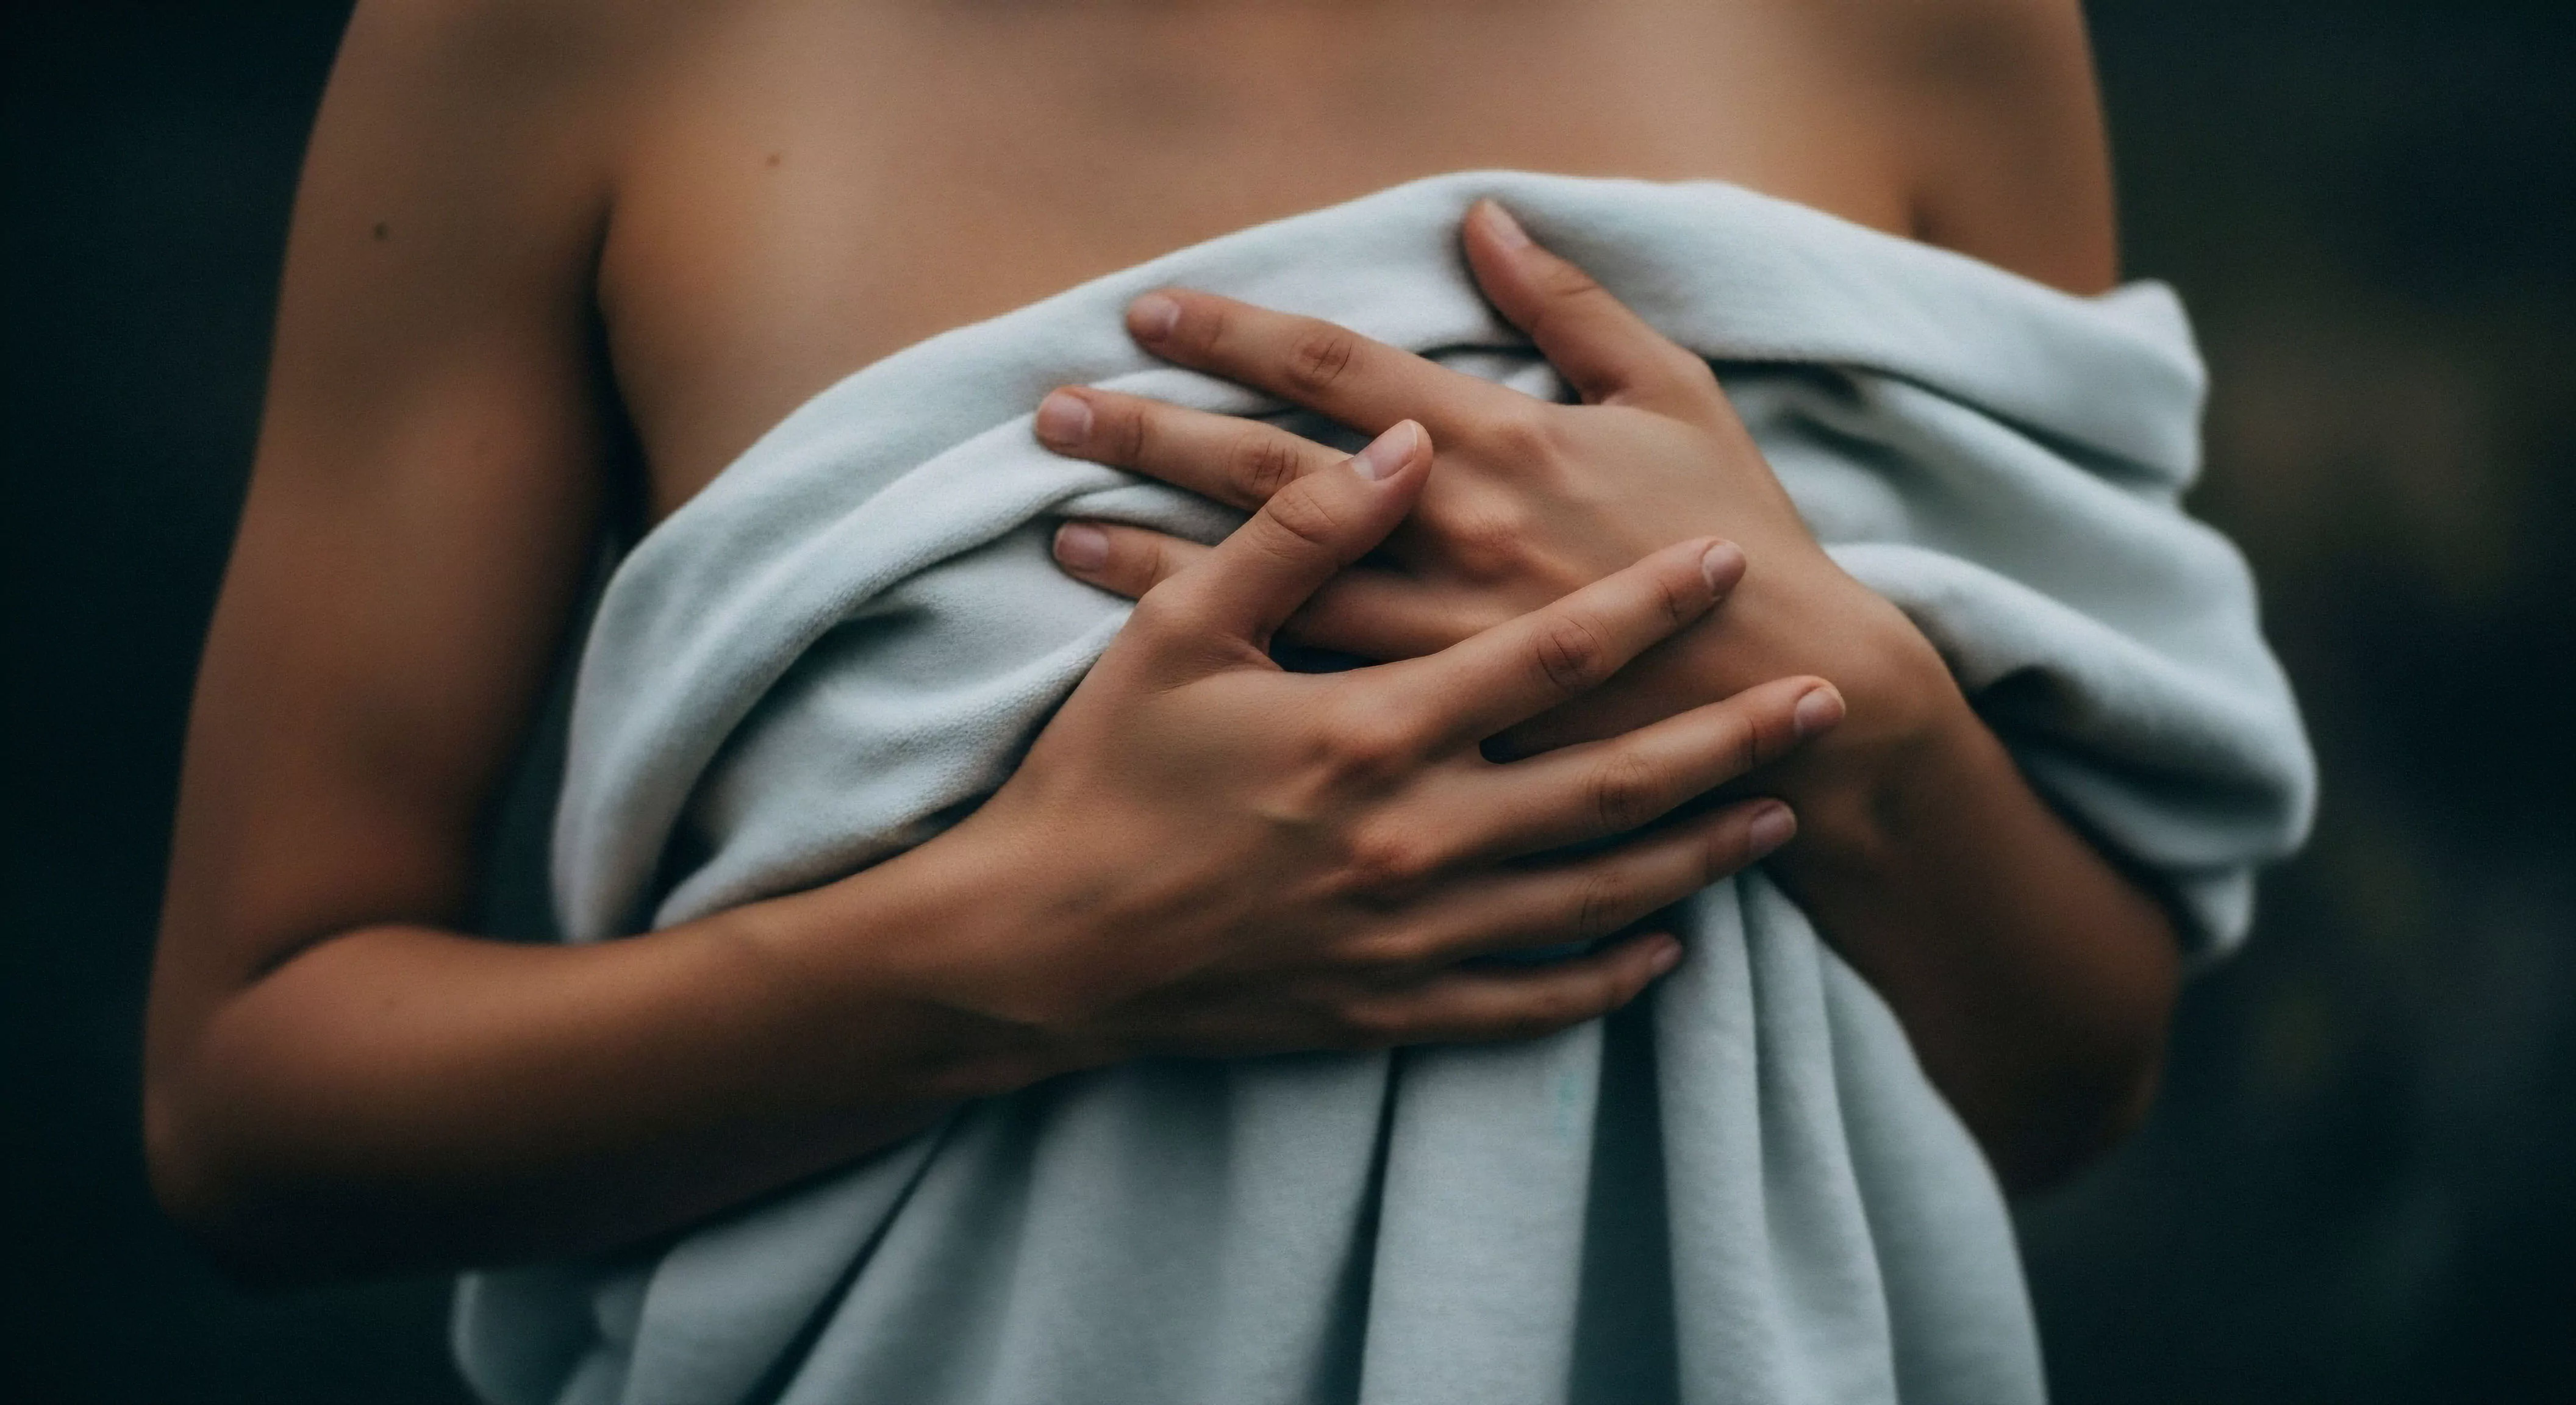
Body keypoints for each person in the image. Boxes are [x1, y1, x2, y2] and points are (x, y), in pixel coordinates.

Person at [146, 0, 2174, 1306]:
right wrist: (1014, 954)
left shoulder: (1935, 27)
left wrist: (1843, 706)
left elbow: (2069, 1079)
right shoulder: (553, 39)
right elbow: (254, 1105)